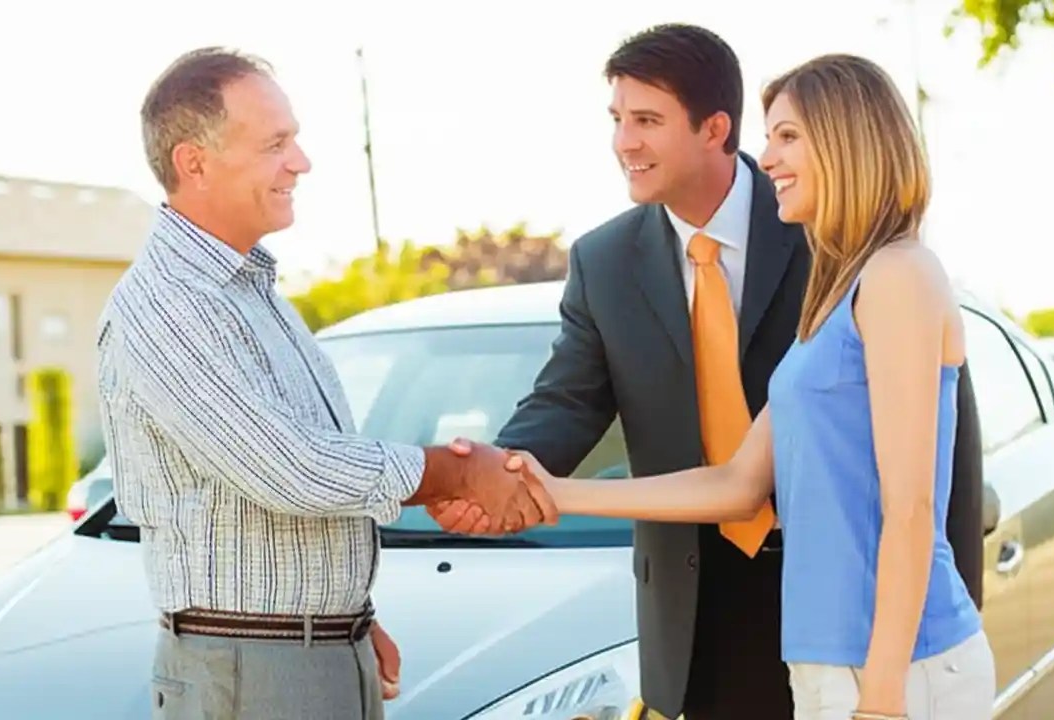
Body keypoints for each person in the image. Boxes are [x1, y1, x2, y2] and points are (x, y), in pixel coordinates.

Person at [431, 25, 986, 720]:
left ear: (713, 128)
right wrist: (524, 482)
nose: (771, 154)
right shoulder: (615, 263)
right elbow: (728, 480)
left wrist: (885, 691)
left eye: (788, 137)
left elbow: (921, 492)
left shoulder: (877, 266)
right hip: (763, 632)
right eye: (618, 120)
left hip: (882, 647)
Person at [95, 47, 555, 720]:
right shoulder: (168, 305)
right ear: (194, 162)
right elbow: (292, 469)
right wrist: (453, 475)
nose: (300, 162)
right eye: (275, 144)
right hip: (254, 675)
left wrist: (345, 622)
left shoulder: (249, 291)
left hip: (298, 656)